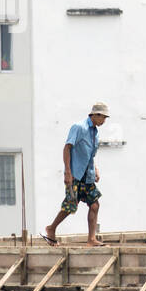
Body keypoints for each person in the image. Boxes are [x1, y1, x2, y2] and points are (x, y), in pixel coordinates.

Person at [44, 102, 109, 246]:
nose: (104, 121)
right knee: (70, 205)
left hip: (87, 176)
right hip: (75, 175)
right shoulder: (79, 127)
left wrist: (95, 169)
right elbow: (67, 148)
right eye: (103, 117)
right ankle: (51, 228)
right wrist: (67, 172)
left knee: (94, 204)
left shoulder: (95, 132)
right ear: (95, 115)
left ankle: (91, 239)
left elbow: (89, 155)